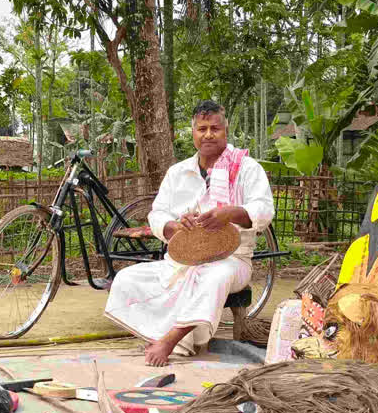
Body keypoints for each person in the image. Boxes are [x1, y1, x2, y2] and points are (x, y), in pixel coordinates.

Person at [104, 100, 275, 366]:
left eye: (215, 128)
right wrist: (173, 227)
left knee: (213, 277)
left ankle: (169, 341)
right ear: (193, 132)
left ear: (225, 130)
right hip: (182, 260)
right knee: (127, 279)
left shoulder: (247, 168)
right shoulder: (178, 172)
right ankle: (154, 334)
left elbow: (264, 210)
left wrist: (230, 213)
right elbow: (157, 214)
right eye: (202, 129)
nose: (208, 134)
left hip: (232, 260)